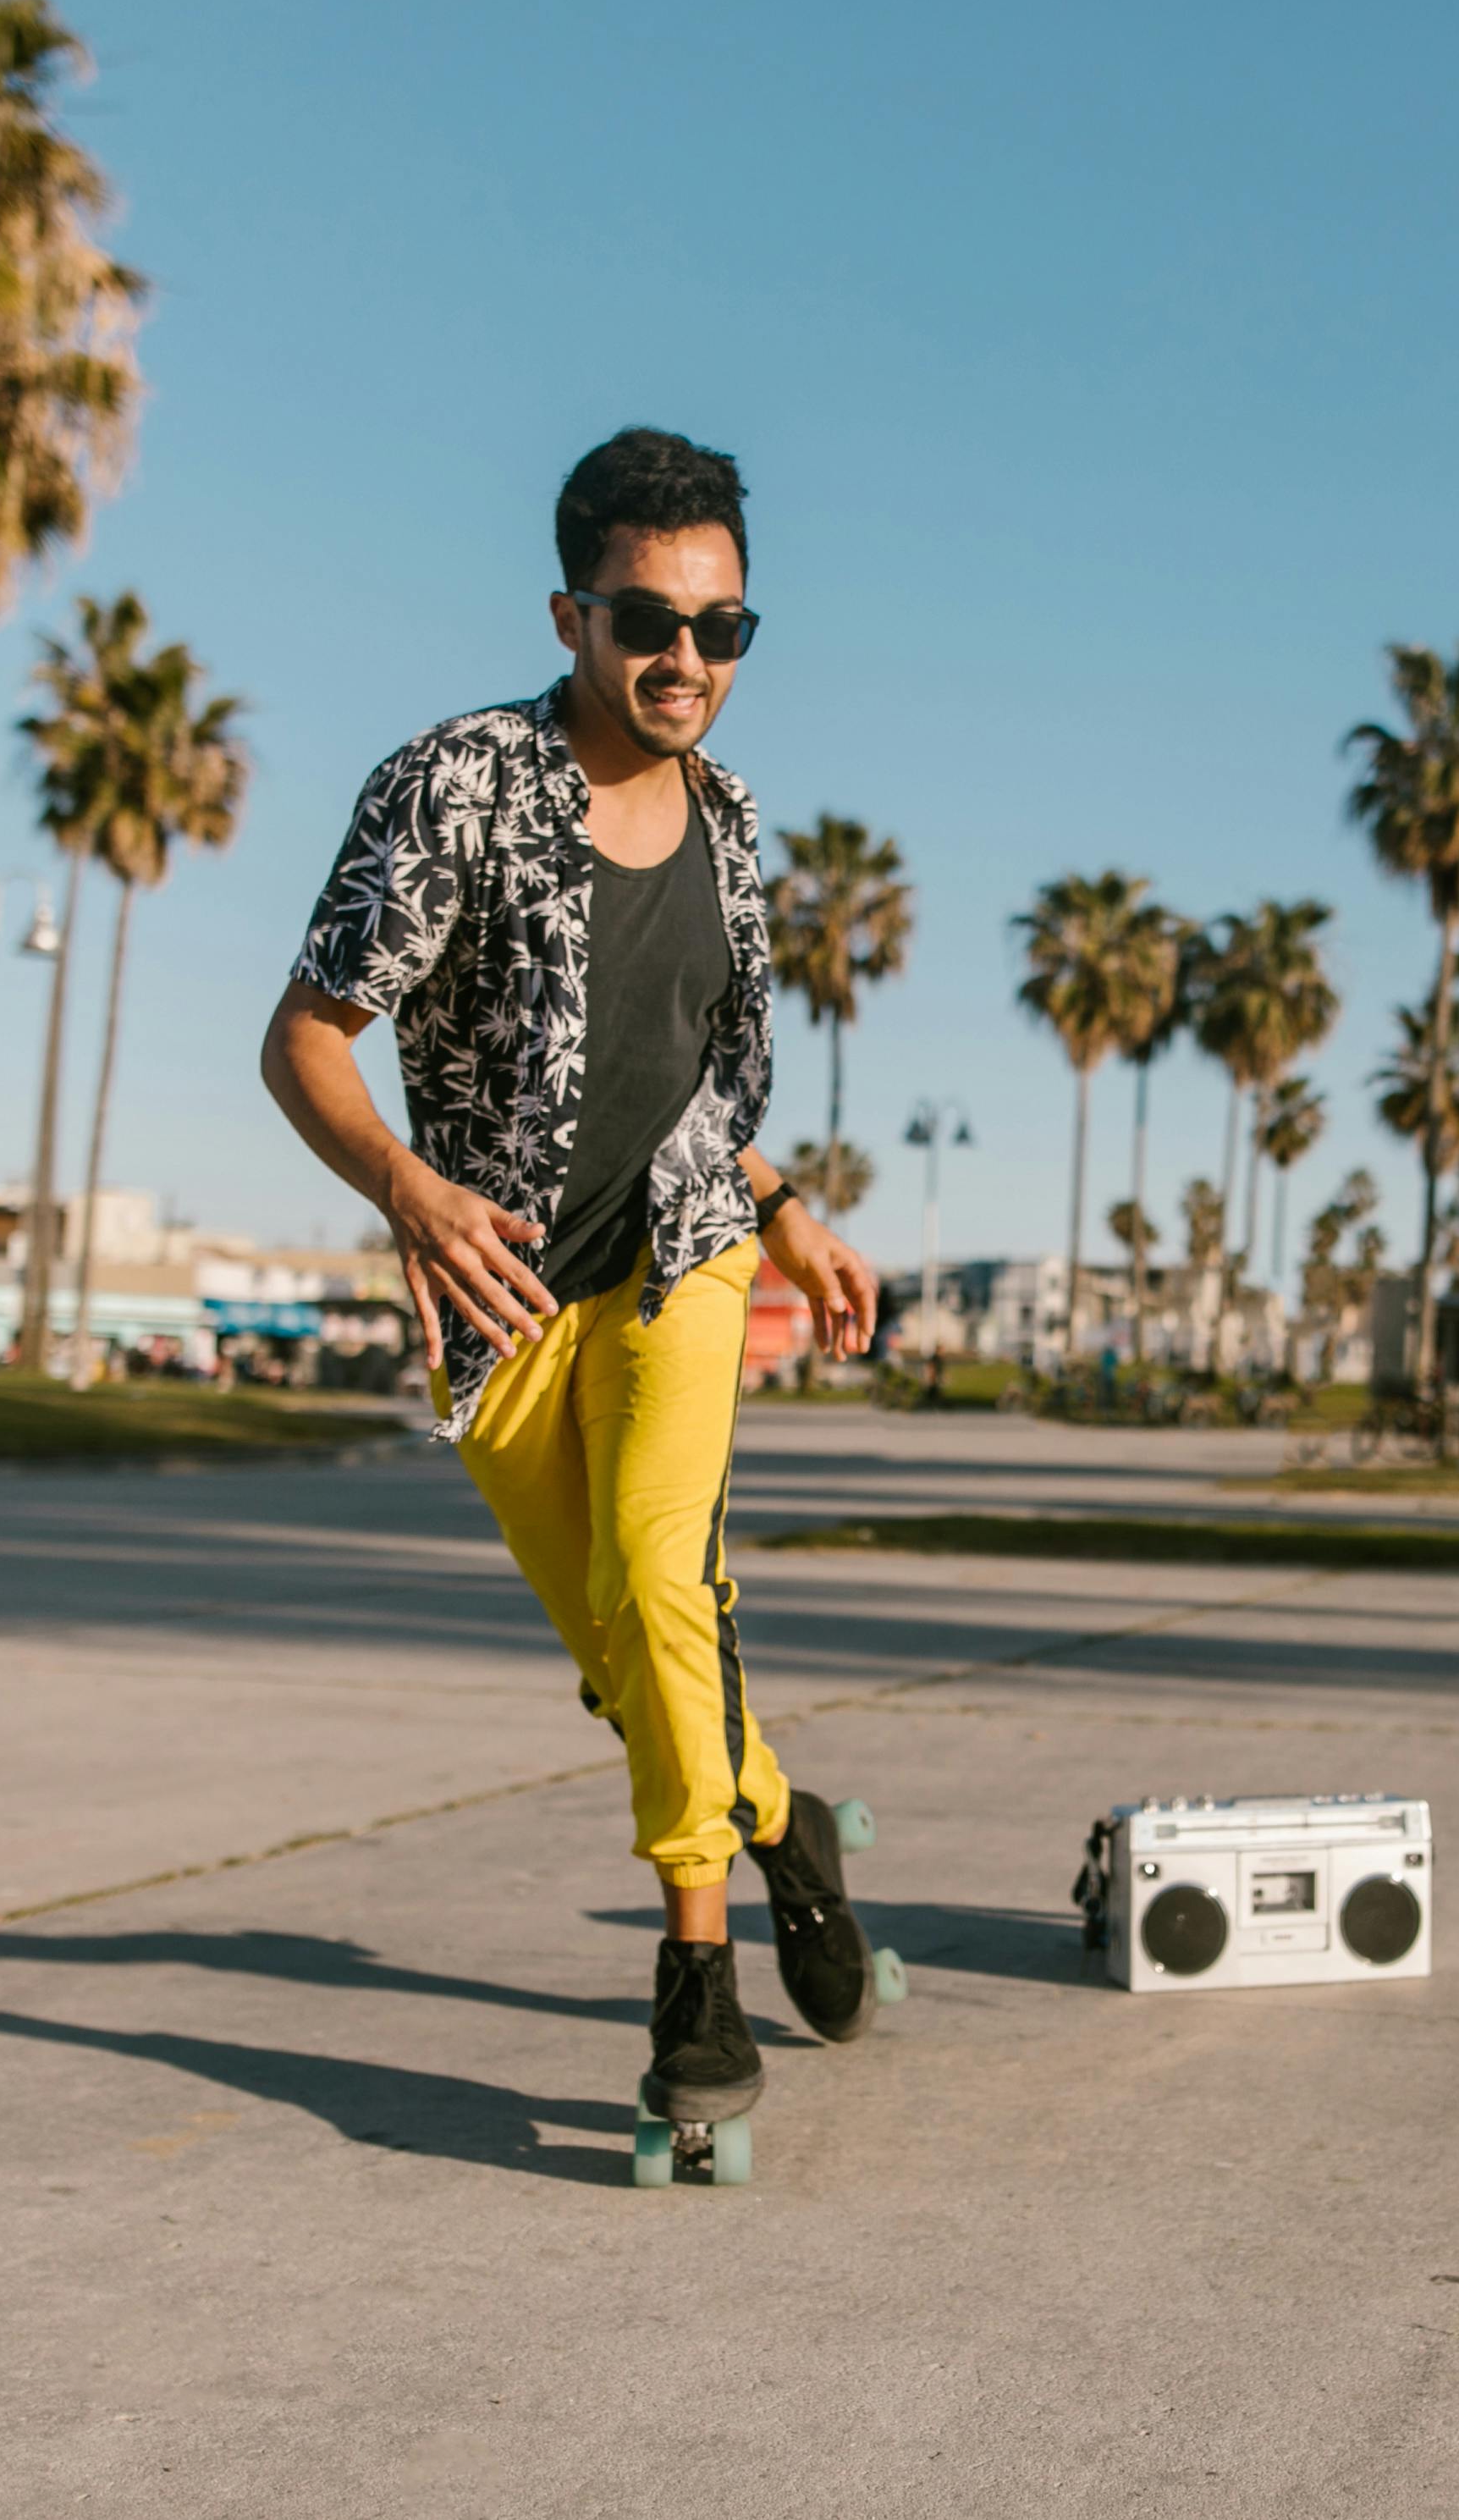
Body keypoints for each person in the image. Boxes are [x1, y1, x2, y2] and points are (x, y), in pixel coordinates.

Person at [260, 428, 889, 2153]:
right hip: (508, 1298)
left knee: (662, 1581)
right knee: (622, 1654)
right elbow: (306, 1035)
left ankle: (697, 1985)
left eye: (721, 627)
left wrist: (785, 1215)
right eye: (648, 620)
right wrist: (405, 1185)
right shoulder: (449, 785)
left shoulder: (732, 823)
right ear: (571, 616)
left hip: (688, 1257)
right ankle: (783, 1825)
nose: (686, 658)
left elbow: (695, 1084)